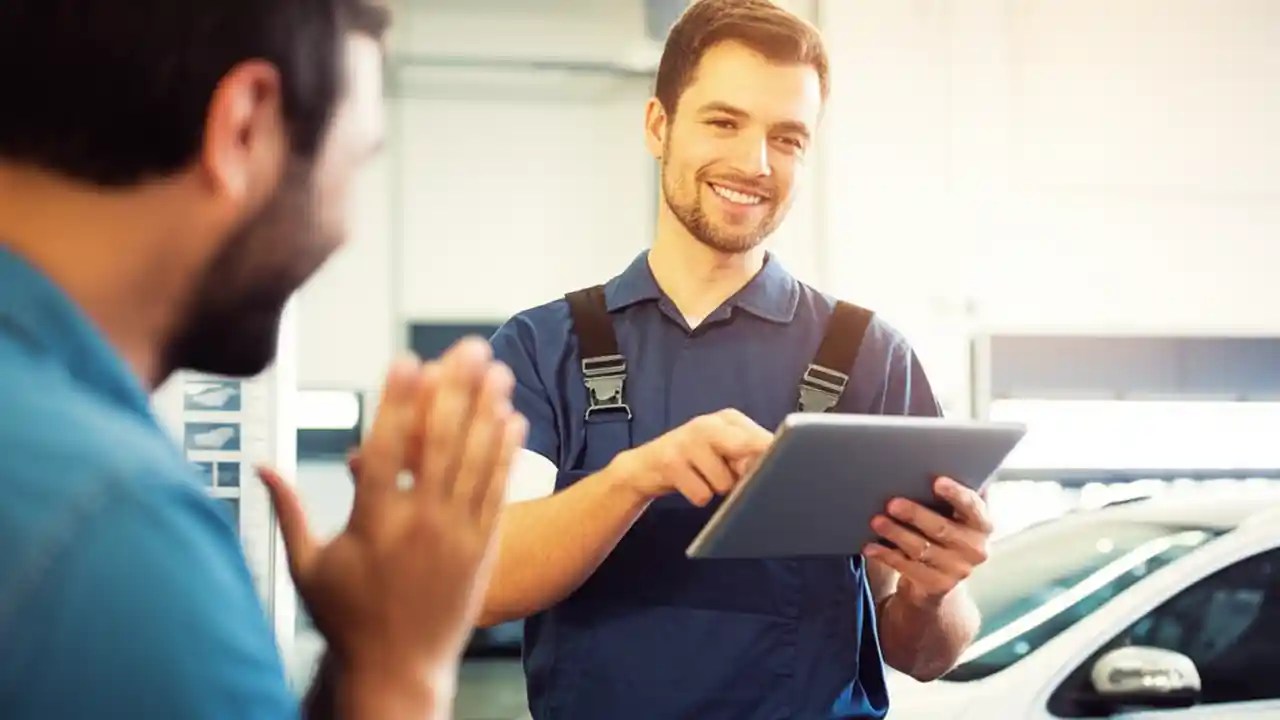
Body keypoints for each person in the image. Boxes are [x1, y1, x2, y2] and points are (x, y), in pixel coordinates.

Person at [0, 2, 525, 719]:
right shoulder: (112, 537)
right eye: (354, 161)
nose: (345, 232)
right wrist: (402, 672)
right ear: (244, 126)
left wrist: (357, 658)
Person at [483, 1, 994, 718]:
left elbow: (925, 653)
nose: (755, 164)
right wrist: (636, 476)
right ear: (658, 126)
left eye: (787, 138)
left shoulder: (869, 356)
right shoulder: (543, 347)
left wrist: (935, 591)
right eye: (724, 122)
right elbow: (483, 584)